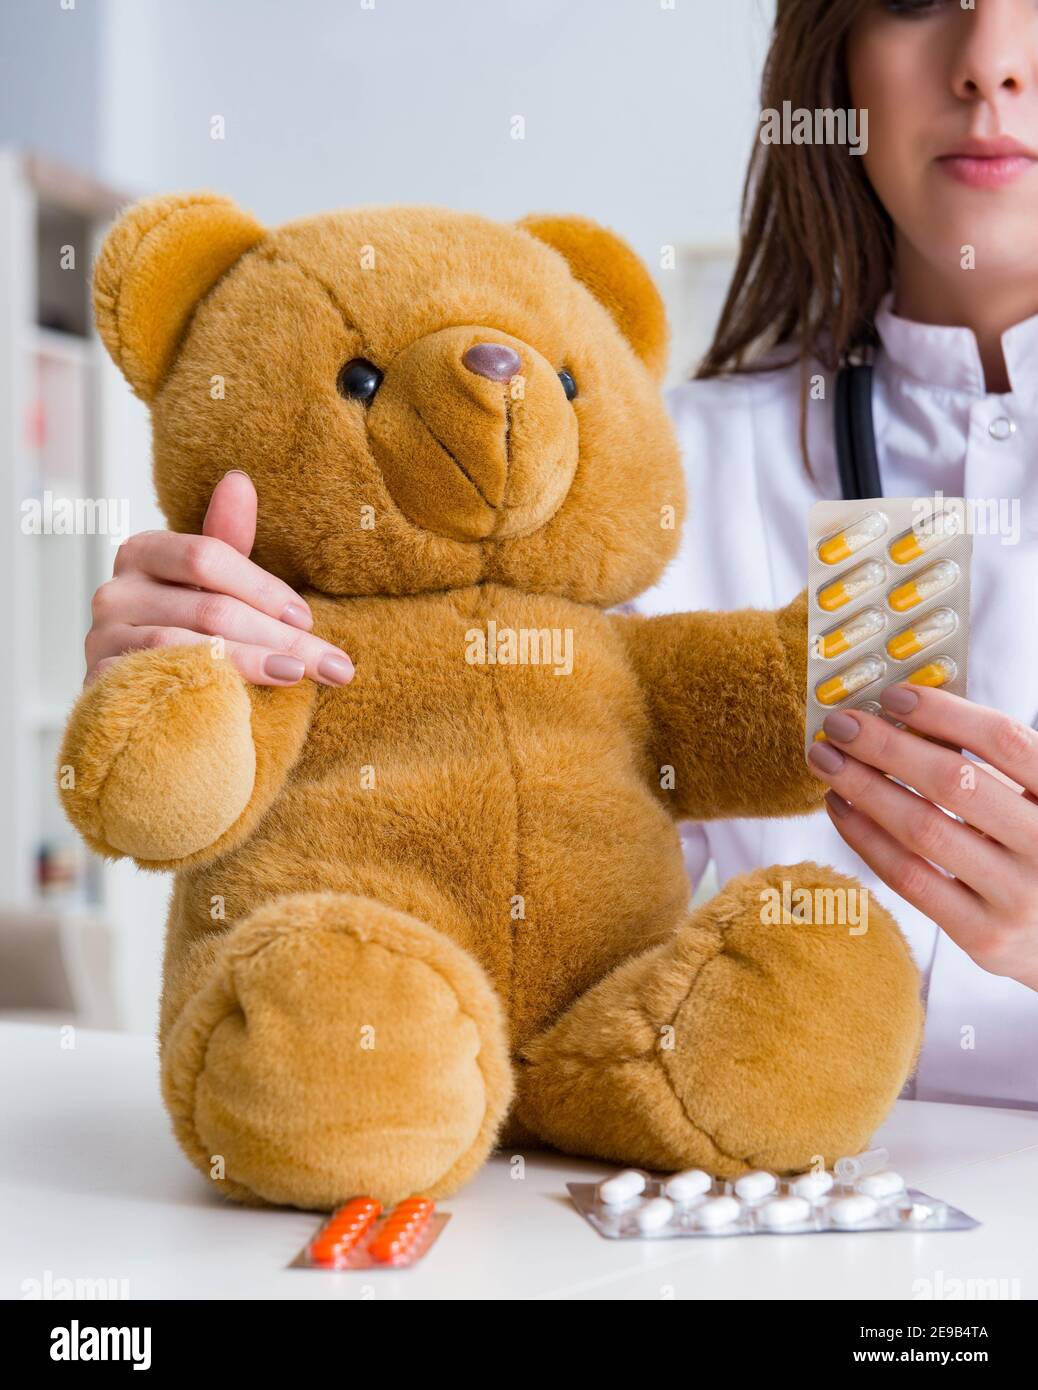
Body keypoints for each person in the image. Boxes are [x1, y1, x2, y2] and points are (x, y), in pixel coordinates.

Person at [83, 0, 1038, 1108]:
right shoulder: (614, 480)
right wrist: (205, 696)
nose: (990, 65)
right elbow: (511, 941)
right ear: (833, 55)